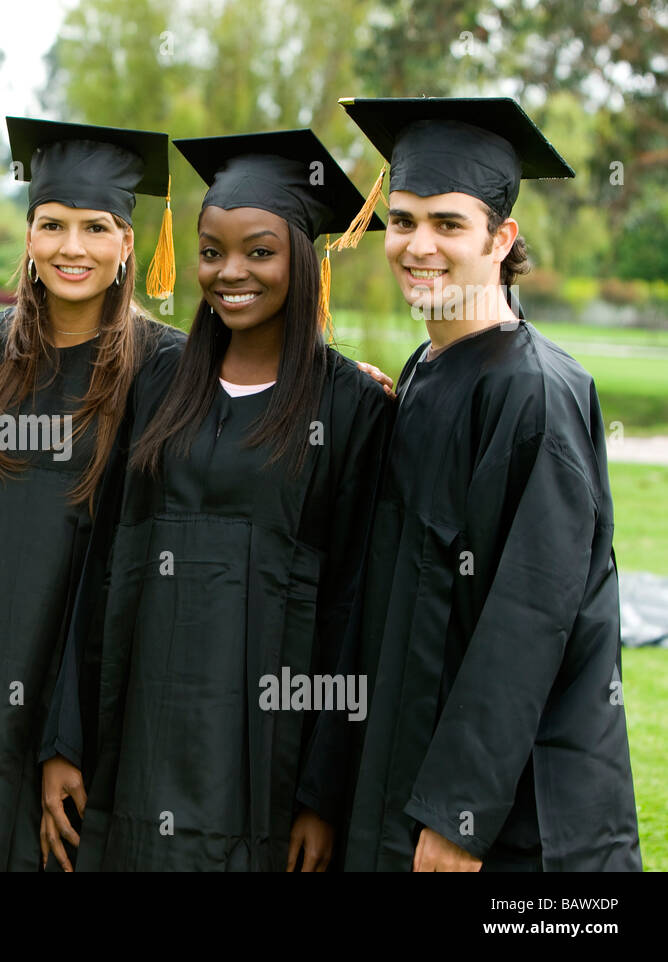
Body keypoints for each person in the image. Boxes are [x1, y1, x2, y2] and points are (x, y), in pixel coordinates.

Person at [298, 97, 641, 872]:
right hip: (405, 777)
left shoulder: (536, 393)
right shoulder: (427, 371)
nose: (418, 245)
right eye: (404, 220)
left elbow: (530, 616)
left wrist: (460, 817)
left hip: (502, 818)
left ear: (502, 237)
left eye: (448, 224)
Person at [38, 129, 393, 872]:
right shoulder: (158, 382)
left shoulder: (353, 408)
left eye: (259, 251)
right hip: (138, 738)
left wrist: (321, 796)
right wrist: (66, 740)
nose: (230, 272)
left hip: (266, 759)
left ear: (306, 259)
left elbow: (354, 606)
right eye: (211, 251)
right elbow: (100, 565)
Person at [0, 118, 185, 871]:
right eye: (53, 225)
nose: (74, 247)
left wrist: (353, 387)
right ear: (29, 235)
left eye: (97, 227)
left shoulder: (167, 368)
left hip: (79, 676)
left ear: (129, 243)